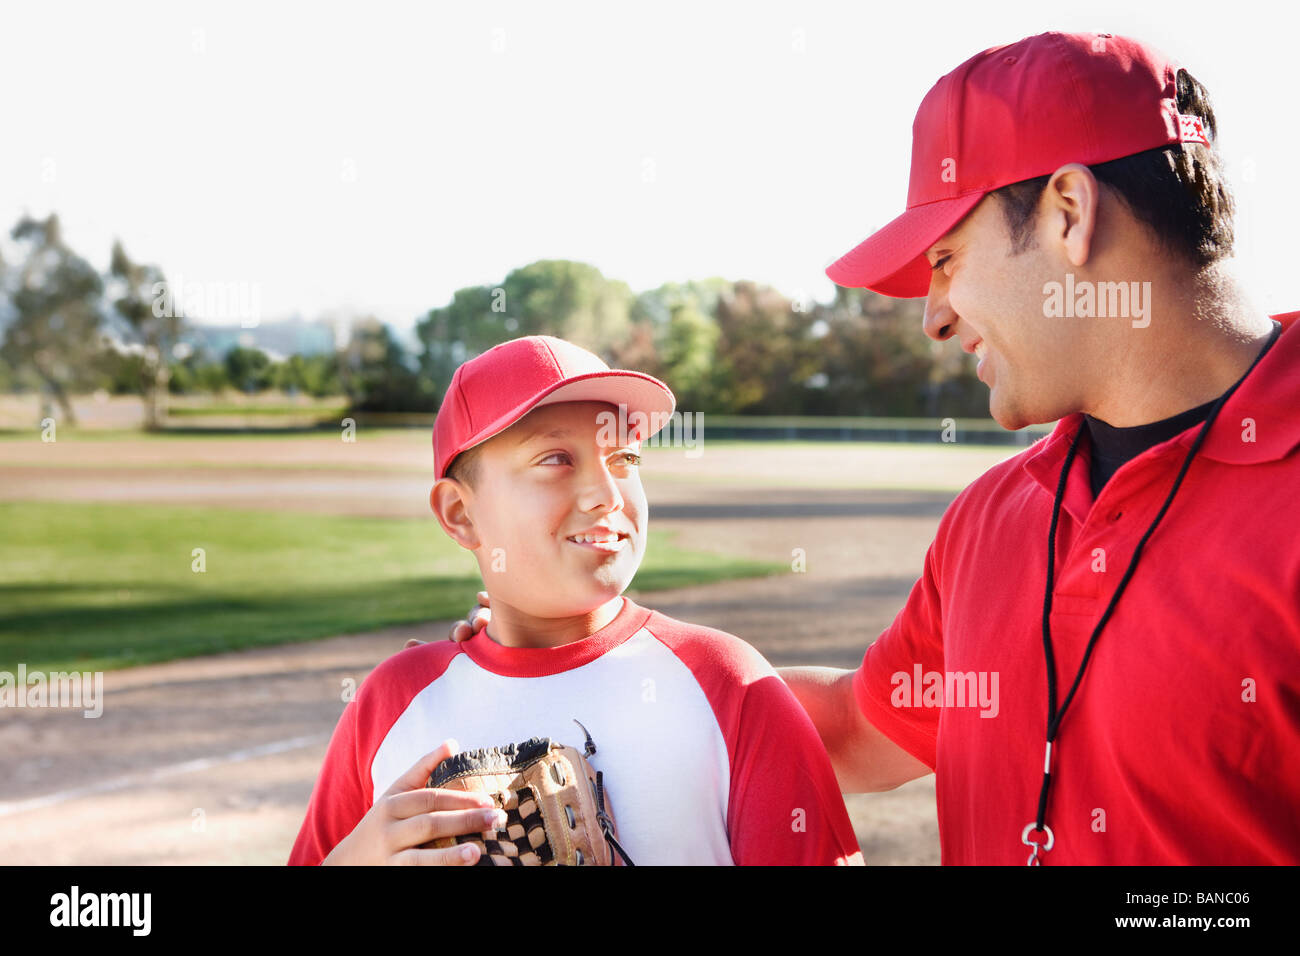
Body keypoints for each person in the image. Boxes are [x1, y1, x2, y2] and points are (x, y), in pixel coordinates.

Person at [450, 30, 1300, 865]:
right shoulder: (994, 519)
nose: (933, 315)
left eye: (946, 258)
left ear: (1069, 214)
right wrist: (567, 672)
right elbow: (863, 729)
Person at [287, 335, 863, 865]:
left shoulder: (728, 685)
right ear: (461, 514)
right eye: (556, 460)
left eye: (625, 459)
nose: (607, 493)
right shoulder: (392, 700)